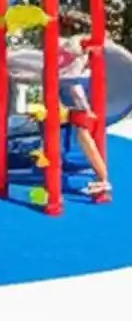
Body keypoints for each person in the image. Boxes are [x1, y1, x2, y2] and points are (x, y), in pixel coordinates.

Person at [55, 16, 111, 197]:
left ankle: (103, 179)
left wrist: (85, 107)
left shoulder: (71, 42)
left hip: (76, 89)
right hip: (72, 89)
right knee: (82, 134)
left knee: (83, 134)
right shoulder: (69, 43)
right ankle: (101, 178)